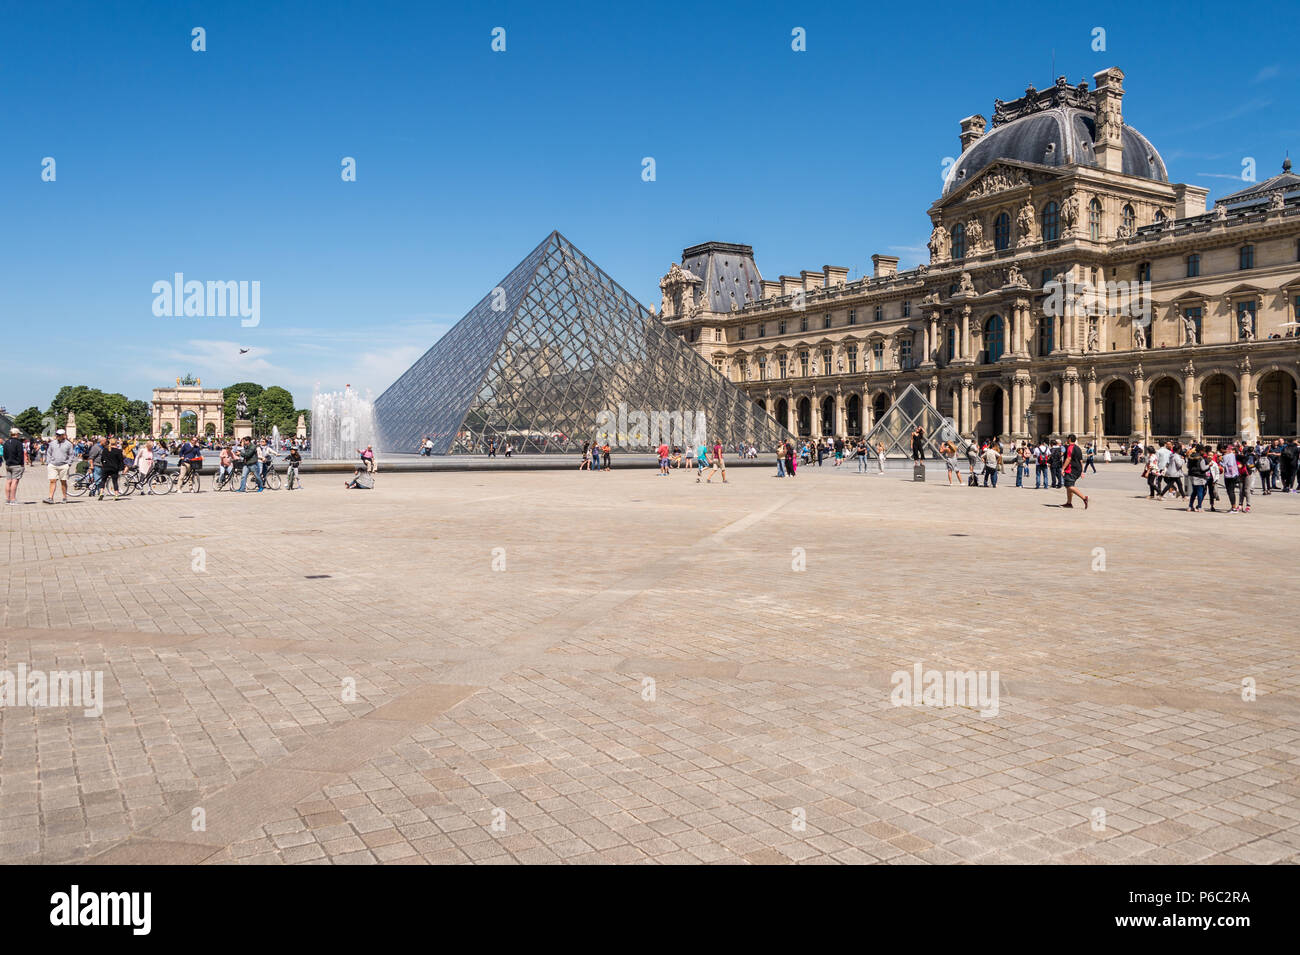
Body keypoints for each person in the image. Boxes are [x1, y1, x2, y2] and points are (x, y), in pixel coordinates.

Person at [44, 428, 76, 504]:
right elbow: (48, 453)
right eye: (57, 435)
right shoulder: (52, 443)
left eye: (59, 435)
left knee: (63, 482)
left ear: (63, 435)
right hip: (53, 465)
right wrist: (48, 462)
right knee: (52, 481)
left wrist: (69, 464)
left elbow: (71, 455)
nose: (57, 436)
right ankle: (50, 498)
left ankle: (64, 497)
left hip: (64, 465)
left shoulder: (68, 444)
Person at [1061, 433, 1089, 509]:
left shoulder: (1070, 447)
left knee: (1069, 486)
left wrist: (1063, 468)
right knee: (1069, 486)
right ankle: (1069, 503)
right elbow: (1081, 461)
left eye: (1067, 438)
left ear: (1069, 439)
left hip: (1071, 469)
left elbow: (1068, 458)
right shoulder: (1078, 448)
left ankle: (1084, 498)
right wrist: (1082, 471)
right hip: (1078, 469)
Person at [4, 427, 27, 505]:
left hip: (8, 464)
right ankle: (13, 499)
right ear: (16, 434)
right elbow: (20, 454)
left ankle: (7, 499)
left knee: (8, 481)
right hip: (16, 464)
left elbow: (5, 454)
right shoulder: (18, 443)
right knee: (15, 481)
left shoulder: (6, 442)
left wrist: (7, 461)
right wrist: (22, 464)